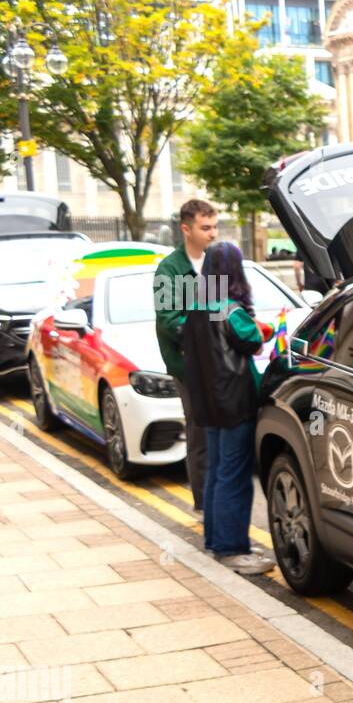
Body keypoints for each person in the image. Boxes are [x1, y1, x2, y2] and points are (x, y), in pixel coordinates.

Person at [180, 242, 275, 576]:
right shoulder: (229, 308)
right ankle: (232, 548)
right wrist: (265, 330)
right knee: (235, 476)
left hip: (207, 402)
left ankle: (215, 541)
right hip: (235, 401)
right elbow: (251, 340)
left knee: (218, 471)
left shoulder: (195, 304)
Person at [154, 199, 218, 511]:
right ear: (186, 229)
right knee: (201, 433)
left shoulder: (212, 264)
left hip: (215, 363)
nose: (213, 233)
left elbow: (217, 313)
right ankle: (204, 503)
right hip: (188, 365)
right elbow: (169, 320)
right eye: (205, 227)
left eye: (214, 226)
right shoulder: (170, 269)